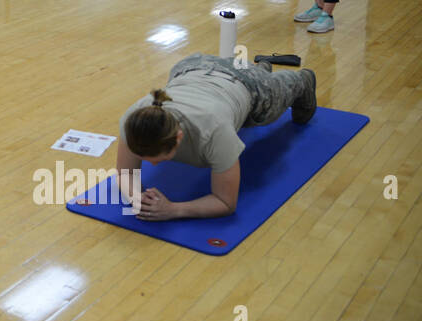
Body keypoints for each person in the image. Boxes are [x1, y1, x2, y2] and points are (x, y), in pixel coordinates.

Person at [116, 54, 316, 221]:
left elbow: (226, 203)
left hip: (249, 85)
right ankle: (259, 68)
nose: (155, 165)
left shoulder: (214, 131)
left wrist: (173, 210)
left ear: (179, 137)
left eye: (160, 159)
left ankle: (301, 80)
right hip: (191, 67)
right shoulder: (134, 121)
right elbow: (124, 174)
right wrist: (137, 199)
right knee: (246, 72)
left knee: (270, 105)